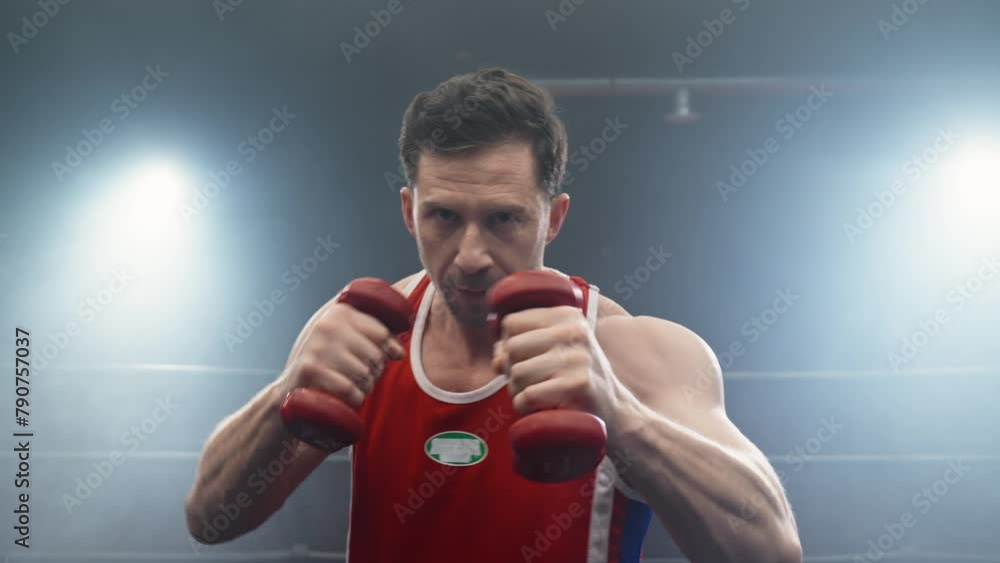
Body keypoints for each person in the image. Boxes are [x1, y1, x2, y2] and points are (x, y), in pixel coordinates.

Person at [185, 67, 803, 563]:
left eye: (504, 218)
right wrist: (284, 396)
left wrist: (620, 414)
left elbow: (771, 550)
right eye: (444, 217)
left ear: (553, 218)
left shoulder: (631, 349)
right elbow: (209, 520)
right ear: (409, 211)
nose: (471, 256)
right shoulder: (368, 333)